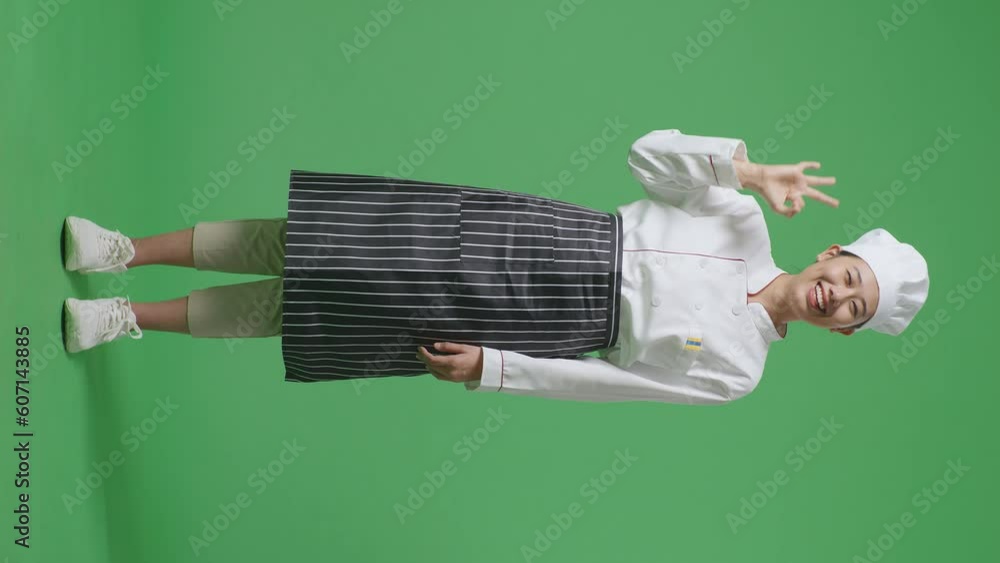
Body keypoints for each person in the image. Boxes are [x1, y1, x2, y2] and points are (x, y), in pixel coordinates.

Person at [61, 128, 929, 404]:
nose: (840, 296)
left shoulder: (740, 371)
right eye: (851, 277)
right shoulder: (739, 216)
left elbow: (615, 385)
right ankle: (125, 249)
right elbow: (647, 154)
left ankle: (126, 317)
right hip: (539, 234)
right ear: (833, 252)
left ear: (844, 331)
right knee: (318, 235)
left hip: (545, 323)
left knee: (318, 310)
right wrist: (743, 168)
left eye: (855, 308)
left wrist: (499, 368)